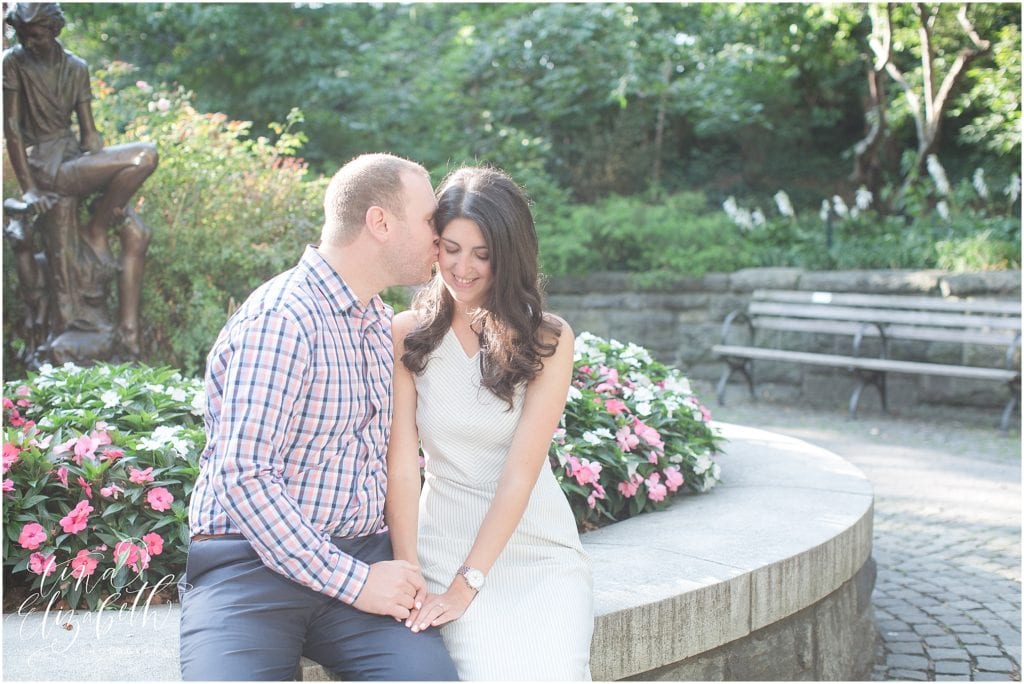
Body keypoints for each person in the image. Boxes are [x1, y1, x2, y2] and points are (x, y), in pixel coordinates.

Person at [179, 153, 458, 681]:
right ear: (380, 223)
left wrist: (385, 571)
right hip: (250, 570)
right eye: (428, 220)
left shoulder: (378, 321)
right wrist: (355, 583)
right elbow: (244, 476)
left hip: (362, 559)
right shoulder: (283, 320)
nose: (439, 235)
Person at [386, 166, 594, 680]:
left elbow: (520, 474)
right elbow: (402, 465)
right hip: (442, 542)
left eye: (483, 254)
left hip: (537, 549)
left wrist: (469, 582)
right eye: (450, 248)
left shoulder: (548, 338)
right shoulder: (406, 335)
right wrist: (410, 569)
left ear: (510, 254)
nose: (462, 268)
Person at [3, 2, 158, 357]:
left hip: (72, 161)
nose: (30, 43)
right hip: (45, 166)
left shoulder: (77, 67)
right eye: (24, 36)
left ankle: (100, 222)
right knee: (144, 154)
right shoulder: (13, 62)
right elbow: (11, 129)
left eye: (37, 36)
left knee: (142, 158)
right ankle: (100, 224)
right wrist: (29, 189)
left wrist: (100, 158)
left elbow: (88, 133)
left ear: (54, 30)